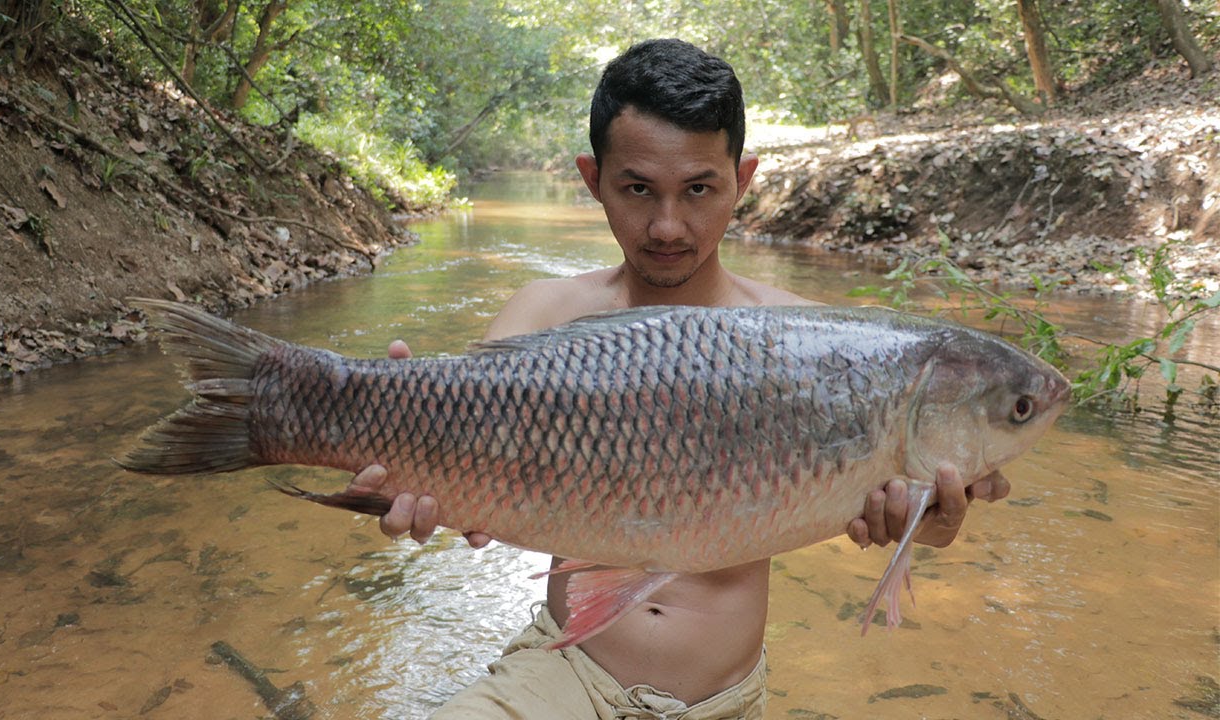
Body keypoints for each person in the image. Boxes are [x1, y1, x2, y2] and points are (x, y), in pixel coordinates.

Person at [351, 38, 1010, 719]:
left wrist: (929, 519)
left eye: (699, 189)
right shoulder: (542, 312)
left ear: (743, 179)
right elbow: (458, 472)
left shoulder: (812, 342)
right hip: (563, 673)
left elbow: (927, 526)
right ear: (591, 177)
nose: (668, 225)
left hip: (726, 699)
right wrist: (404, 464)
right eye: (637, 188)